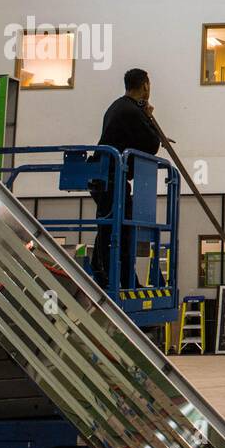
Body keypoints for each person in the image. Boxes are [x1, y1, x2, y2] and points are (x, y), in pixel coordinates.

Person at [89, 68, 161, 289]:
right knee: (121, 230)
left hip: (104, 176)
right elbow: (152, 144)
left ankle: (106, 273)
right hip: (112, 179)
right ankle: (119, 279)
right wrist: (149, 116)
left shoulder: (117, 107)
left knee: (110, 227)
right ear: (145, 85)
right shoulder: (131, 111)